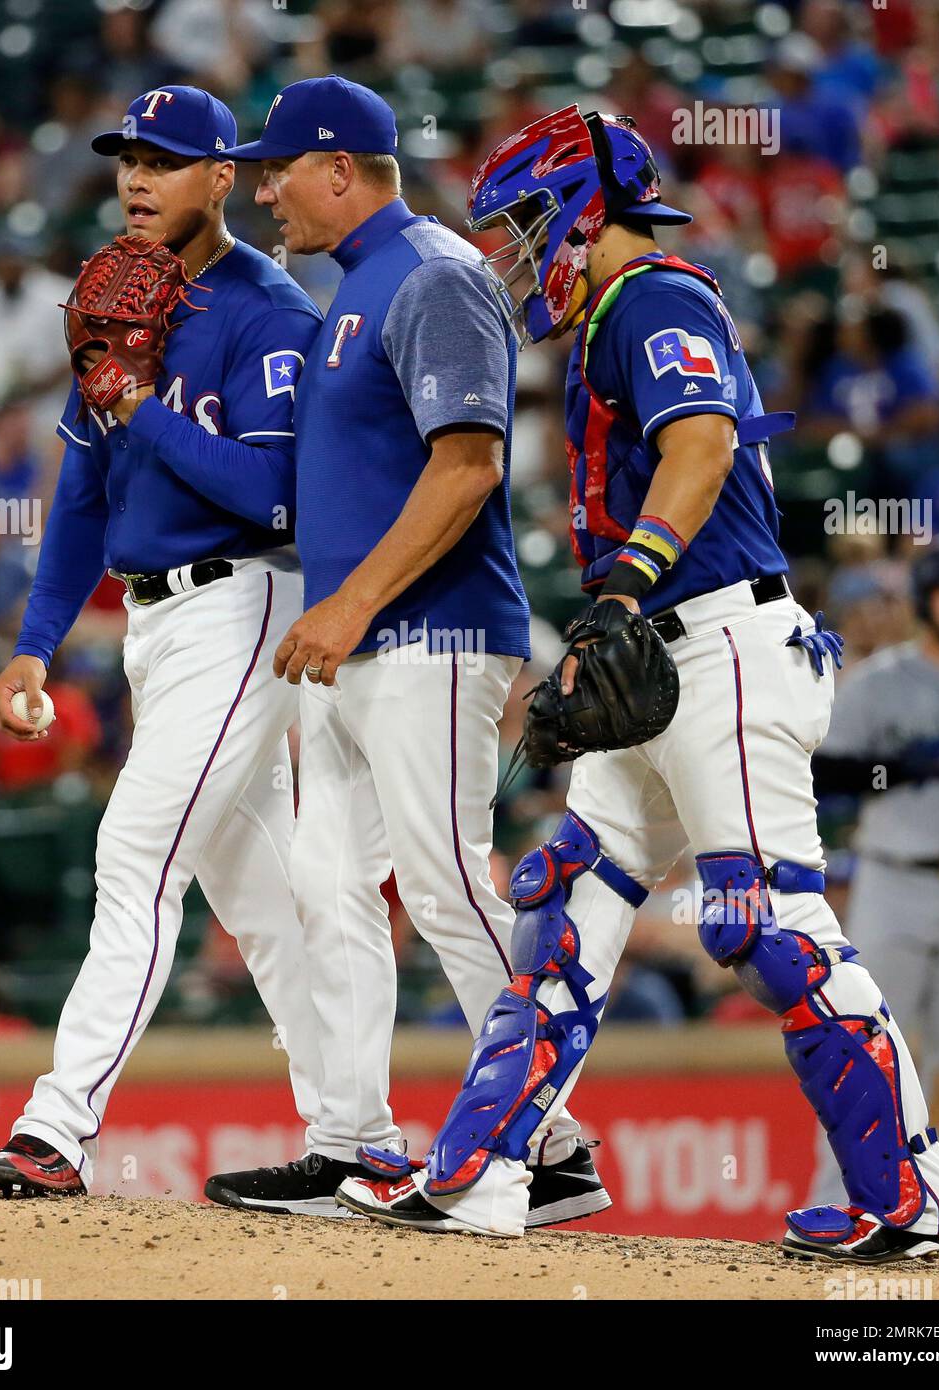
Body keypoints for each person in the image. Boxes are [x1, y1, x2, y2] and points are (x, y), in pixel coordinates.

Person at [336, 105, 939, 1261]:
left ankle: (915, 1200)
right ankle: (478, 1172)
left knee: (767, 926)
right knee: (566, 906)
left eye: (524, 225)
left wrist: (621, 588)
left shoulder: (655, 296)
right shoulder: (613, 318)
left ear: (581, 203)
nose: (513, 256)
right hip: (663, 652)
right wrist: (623, 608)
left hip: (718, 646)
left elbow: (701, 444)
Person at [204, 76, 606, 1226]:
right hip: (352, 647)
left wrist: (349, 605)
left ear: (341, 168)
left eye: (277, 167)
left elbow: (469, 463)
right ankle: (349, 1142)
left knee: (441, 882)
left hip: (427, 637)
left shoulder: (431, 271)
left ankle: (549, 1135)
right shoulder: (358, 285)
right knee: (328, 886)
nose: (264, 187)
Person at [0, 85, 325, 1197]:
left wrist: (139, 403)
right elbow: (83, 489)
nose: (137, 178)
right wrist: (36, 643)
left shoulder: (267, 311)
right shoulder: (115, 298)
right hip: (151, 620)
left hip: (242, 604)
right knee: (262, 903)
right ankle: (356, 1136)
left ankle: (54, 1128)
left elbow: (277, 498)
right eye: (129, 157)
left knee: (134, 856)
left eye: (165, 161)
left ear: (221, 178)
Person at [808, 533, 939, 1202]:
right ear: (925, 598)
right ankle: (836, 1200)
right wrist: (907, 768)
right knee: (862, 1045)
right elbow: (824, 771)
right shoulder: (878, 681)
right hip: (894, 879)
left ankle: (932, 1209)